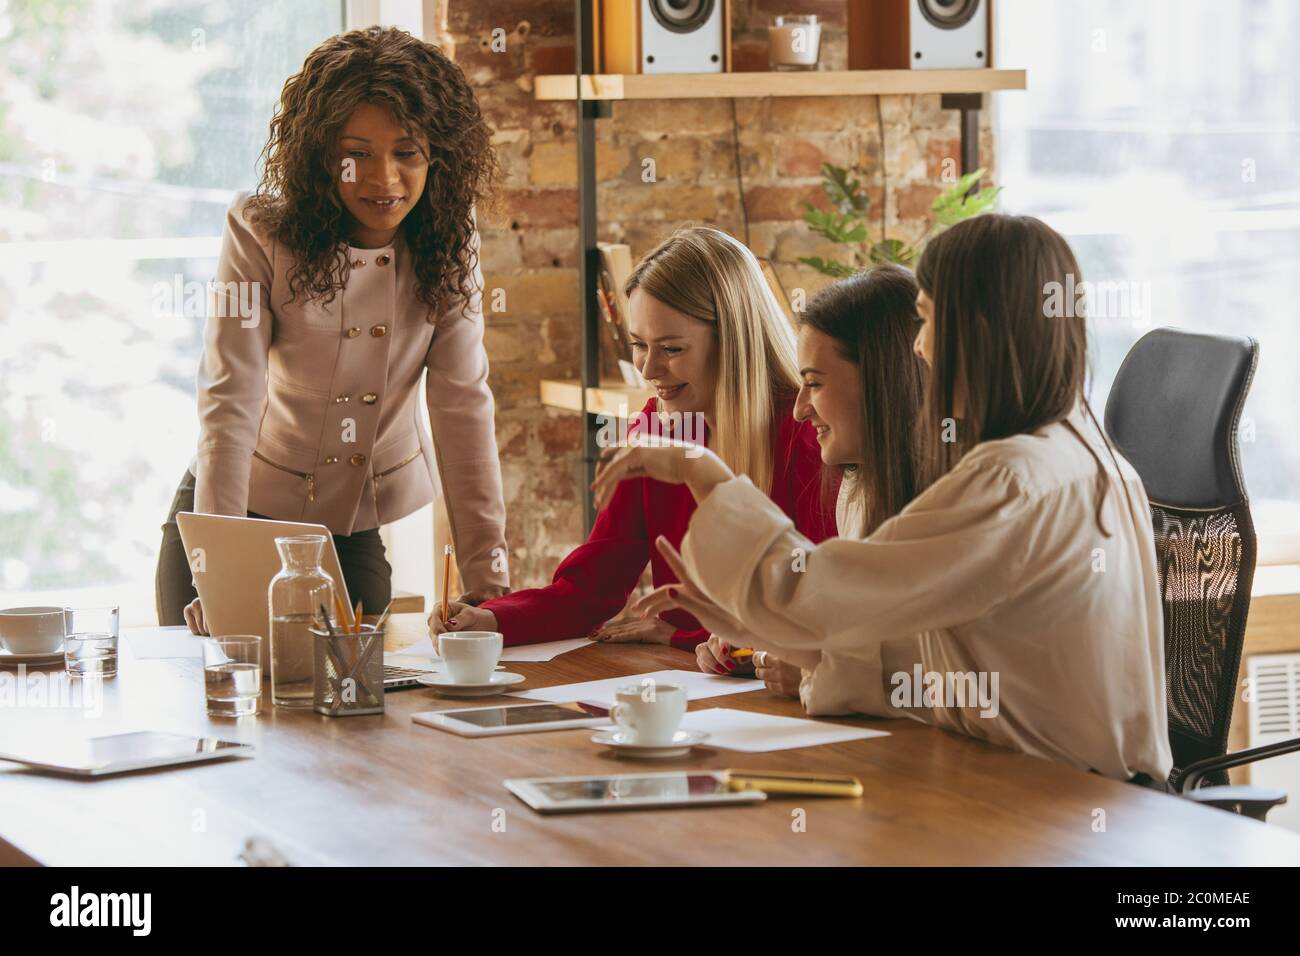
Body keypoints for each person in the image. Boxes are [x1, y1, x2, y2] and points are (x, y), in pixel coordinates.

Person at [599, 214, 1173, 783]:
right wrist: (780, 645)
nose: (918, 348)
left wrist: (705, 474)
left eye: (925, 321)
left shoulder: (1011, 480)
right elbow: (944, 661)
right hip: (1057, 790)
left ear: (974, 330)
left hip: (1052, 804)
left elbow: (812, 596)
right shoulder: (1075, 450)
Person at [156, 26, 510, 632]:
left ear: (438, 154)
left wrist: (490, 582)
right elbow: (229, 399)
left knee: (355, 711)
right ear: (322, 154)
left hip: (348, 527)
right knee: (219, 711)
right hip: (231, 509)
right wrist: (217, 570)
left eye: (406, 152)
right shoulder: (258, 232)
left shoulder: (453, 243)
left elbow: (462, 404)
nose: (384, 179)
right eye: (358, 154)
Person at [433, 225, 837, 650]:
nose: (647, 370)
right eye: (639, 345)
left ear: (733, 341)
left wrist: (687, 635)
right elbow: (591, 588)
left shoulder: (806, 433)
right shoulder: (655, 428)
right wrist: (491, 618)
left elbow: (817, 602)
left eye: (672, 349)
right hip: (693, 686)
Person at [693, 265, 926, 699]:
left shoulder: (956, 498)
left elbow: (940, 677)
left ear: (881, 380)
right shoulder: (857, 487)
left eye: (814, 384)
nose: (800, 410)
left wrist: (816, 666)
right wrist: (766, 642)